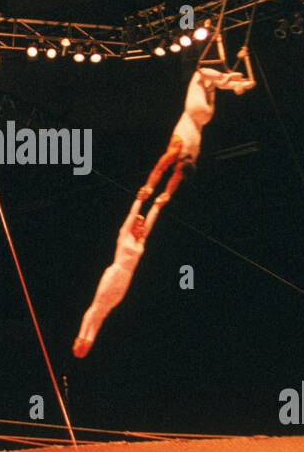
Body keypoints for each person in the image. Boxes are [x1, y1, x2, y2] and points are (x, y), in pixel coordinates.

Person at [138, 50, 257, 207]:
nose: (176, 170)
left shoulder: (193, 158)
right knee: (199, 73)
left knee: (210, 83)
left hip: (206, 117)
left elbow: (177, 177)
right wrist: (149, 187)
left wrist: (167, 194)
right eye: (178, 169)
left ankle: (236, 85)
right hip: (195, 110)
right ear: (180, 166)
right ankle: (228, 79)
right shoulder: (176, 151)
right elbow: (159, 170)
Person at [73, 195, 166, 359]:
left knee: (104, 312)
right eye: (139, 224)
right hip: (115, 272)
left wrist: (157, 206)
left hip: (125, 279)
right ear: (132, 227)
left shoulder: (141, 241)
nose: (142, 227)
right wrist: (139, 201)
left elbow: (150, 222)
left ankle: (89, 341)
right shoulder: (125, 235)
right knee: (97, 306)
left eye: (143, 225)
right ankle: (81, 337)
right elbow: (131, 217)